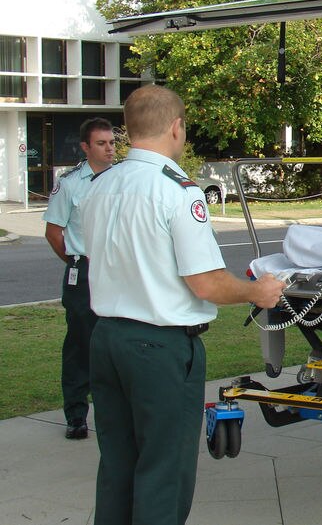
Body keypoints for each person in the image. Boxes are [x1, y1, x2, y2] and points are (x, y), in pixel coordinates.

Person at [81, 85, 286, 525]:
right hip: (160, 349)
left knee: (117, 465)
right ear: (176, 128)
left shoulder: (100, 185)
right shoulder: (178, 190)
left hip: (107, 340)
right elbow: (206, 283)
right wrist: (258, 292)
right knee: (164, 473)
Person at [43, 117, 115, 439]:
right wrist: (77, 260)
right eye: (101, 143)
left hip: (117, 270)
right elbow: (53, 232)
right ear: (86, 147)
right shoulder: (70, 183)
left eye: (112, 142)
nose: (110, 149)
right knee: (80, 344)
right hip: (84, 271)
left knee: (115, 342)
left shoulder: (124, 178)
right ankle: (76, 415)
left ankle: (114, 413)